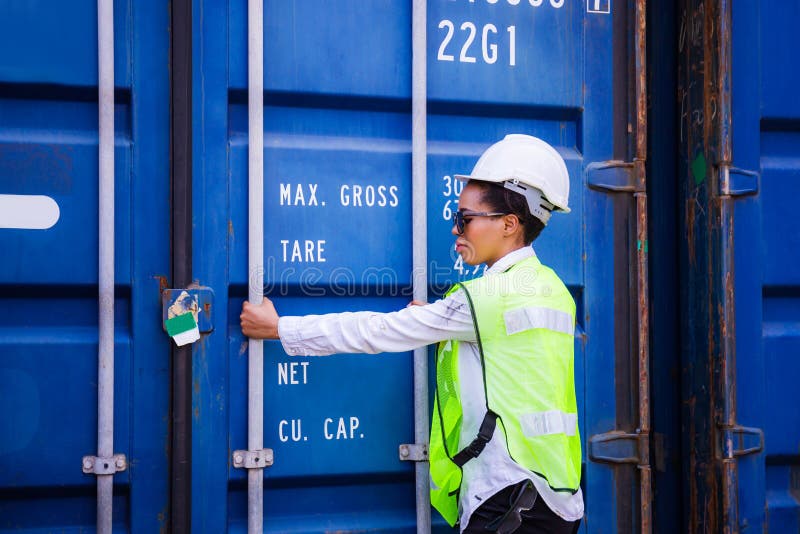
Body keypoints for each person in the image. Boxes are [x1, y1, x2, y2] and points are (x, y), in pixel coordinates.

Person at [240, 134, 584, 533]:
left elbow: (377, 331)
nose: (456, 230)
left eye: (465, 219)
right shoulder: (553, 289)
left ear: (509, 224)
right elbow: (514, 364)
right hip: (560, 501)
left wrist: (280, 328)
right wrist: (446, 325)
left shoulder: (487, 298)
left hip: (507, 499)